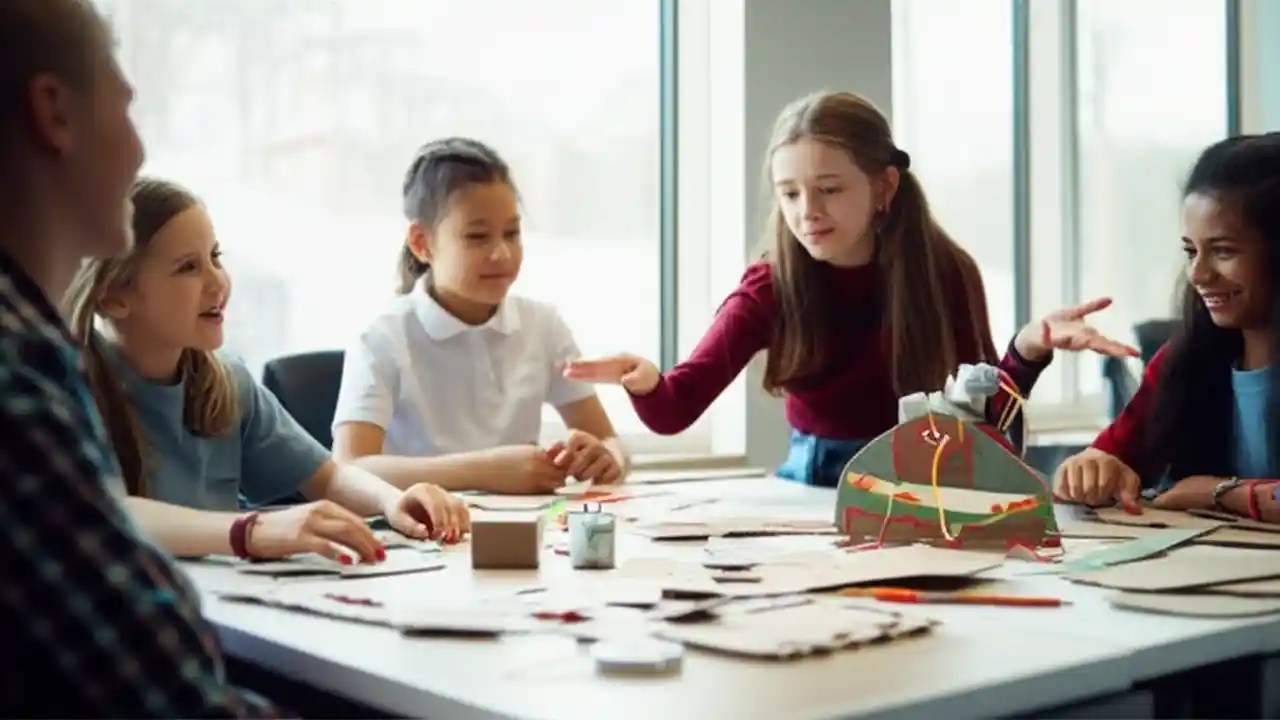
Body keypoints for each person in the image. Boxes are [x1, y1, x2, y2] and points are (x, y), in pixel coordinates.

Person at [564, 90, 1137, 488]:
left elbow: (986, 422)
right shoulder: (772, 282)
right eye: (789, 194)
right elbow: (674, 411)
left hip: (921, 479)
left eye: (829, 189)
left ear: (884, 185)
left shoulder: (944, 271)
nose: (806, 212)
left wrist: (1029, 348)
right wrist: (643, 380)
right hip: (812, 482)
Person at [0, 0, 276, 714]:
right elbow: (173, 702)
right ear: (55, 113)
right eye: (124, 105)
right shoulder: (17, 378)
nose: (139, 149)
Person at [64, 176, 472, 561]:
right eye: (187, 267)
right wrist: (249, 531)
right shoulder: (66, 387)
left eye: (215, 257)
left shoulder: (227, 379)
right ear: (117, 297)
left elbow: (327, 479)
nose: (218, 282)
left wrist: (392, 501)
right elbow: (102, 506)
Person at [331, 137, 629, 494]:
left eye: (512, 233)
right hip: (422, 537)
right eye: (477, 237)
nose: (502, 253)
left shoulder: (543, 326)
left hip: (525, 531)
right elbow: (349, 469)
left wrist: (607, 457)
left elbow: (609, 439)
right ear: (422, 243)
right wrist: (485, 470)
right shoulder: (383, 338)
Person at [1054, 133, 1280, 522]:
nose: (1198, 273)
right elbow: (1104, 458)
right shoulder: (1183, 360)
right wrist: (1089, 469)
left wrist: (1220, 493)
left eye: (1224, 251)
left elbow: (1205, 493)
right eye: (1191, 251)